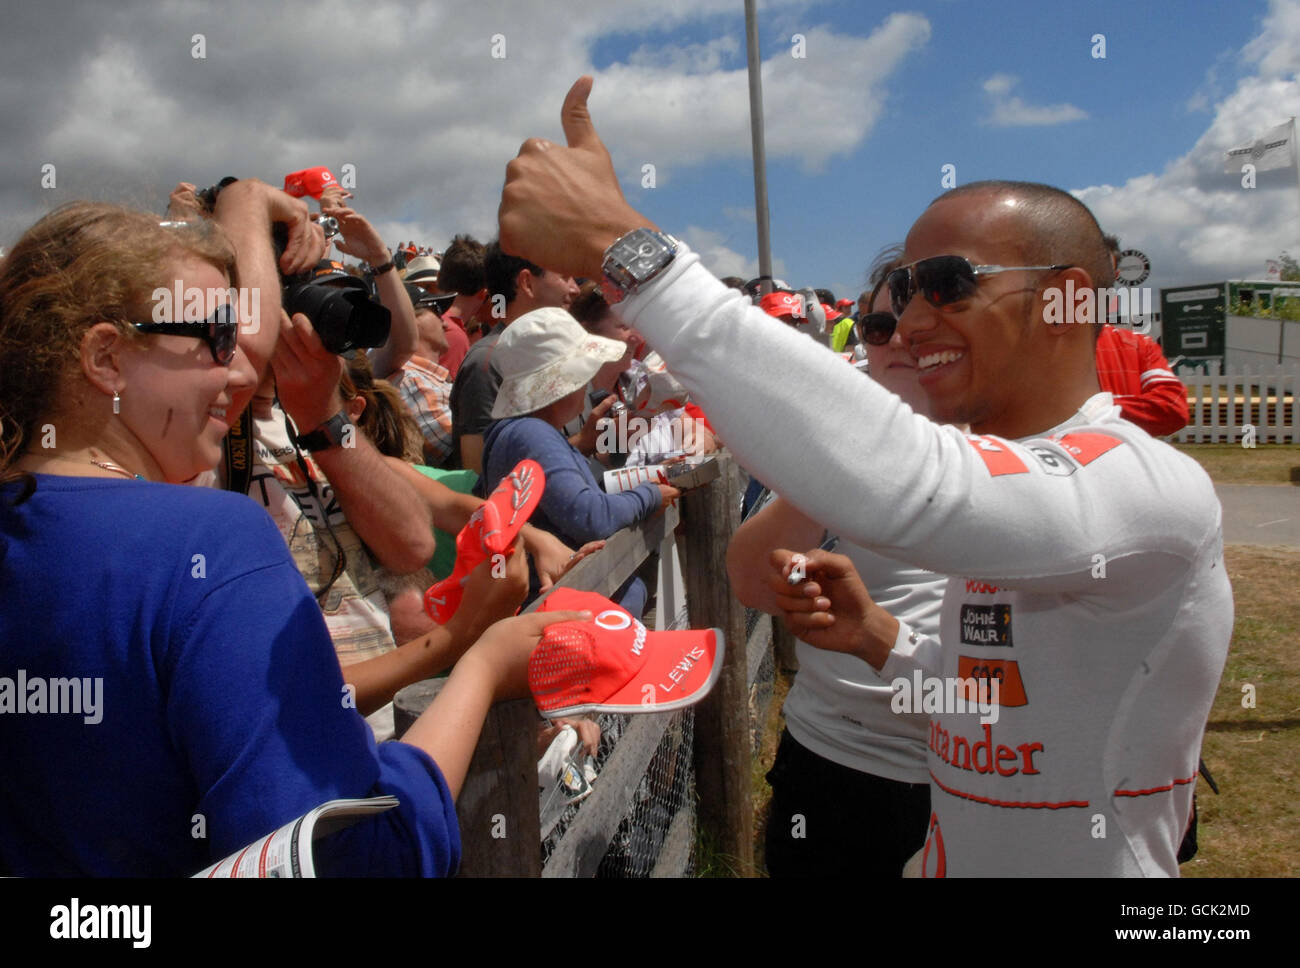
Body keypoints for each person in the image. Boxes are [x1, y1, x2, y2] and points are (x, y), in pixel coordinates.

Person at [496, 77, 1232, 876]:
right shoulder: (1025, 490)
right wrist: (882, 641)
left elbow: (915, 484)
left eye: (949, 283)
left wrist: (625, 246)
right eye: (906, 292)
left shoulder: (1148, 485)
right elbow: (1007, 711)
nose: (913, 323)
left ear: (1065, 298)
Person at [0, 201, 587, 876]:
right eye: (217, 339)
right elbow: (354, 857)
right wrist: (480, 666)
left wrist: (323, 416)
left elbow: (411, 539)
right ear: (105, 356)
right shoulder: (210, 537)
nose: (241, 370)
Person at [729, 253, 946, 877]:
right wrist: (840, 461)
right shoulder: (841, 444)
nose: (898, 341)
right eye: (878, 328)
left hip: (967, 768)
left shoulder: (1014, 445)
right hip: (831, 755)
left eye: (917, 321)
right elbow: (749, 581)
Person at [479, 306, 679, 611]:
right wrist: (649, 496)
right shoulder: (534, 434)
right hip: (562, 609)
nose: (587, 384)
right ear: (563, 383)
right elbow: (590, 517)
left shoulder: (526, 432)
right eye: (582, 374)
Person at [449, 241, 581, 474]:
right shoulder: (488, 363)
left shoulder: (562, 354)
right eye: (565, 276)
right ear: (527, 283)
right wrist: (584, 442)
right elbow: (483, 477)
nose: (575, 289)